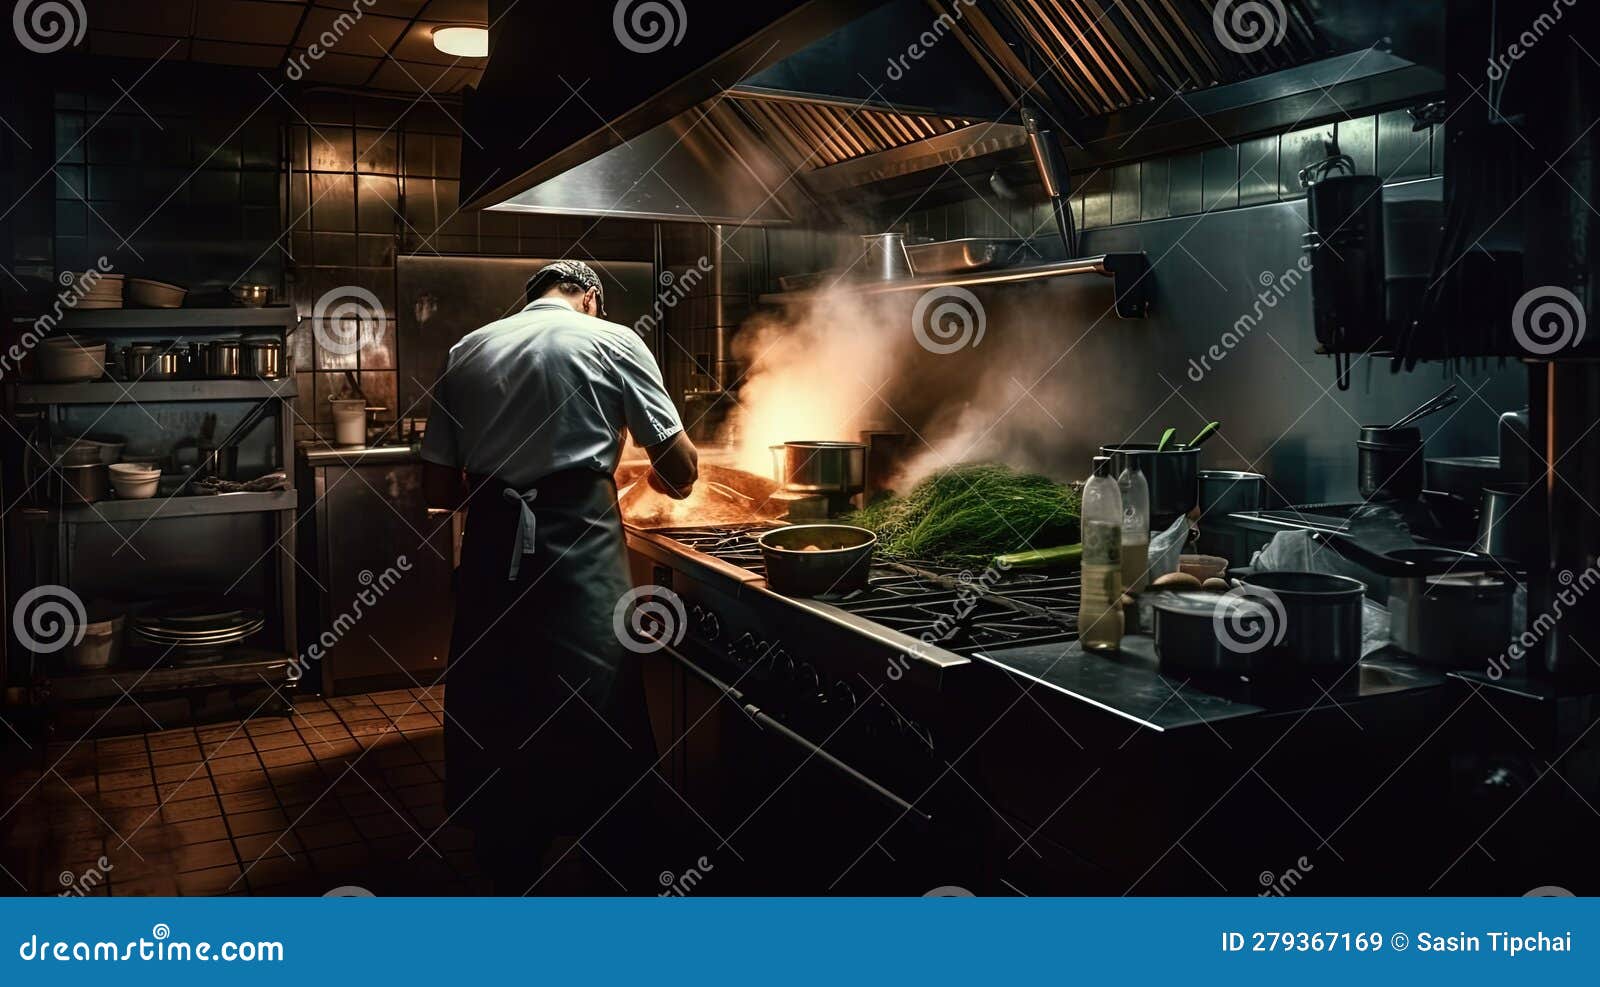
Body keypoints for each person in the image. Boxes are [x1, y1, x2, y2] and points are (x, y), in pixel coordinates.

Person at [420, 260, 698, 894]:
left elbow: (436, 489)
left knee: (499, 697)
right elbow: (682, 469)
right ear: (591, 298)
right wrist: (636, 479)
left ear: (533, 297)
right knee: (596, 698)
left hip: (493, 553)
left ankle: (507, 867)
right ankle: (614, 867)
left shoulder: (470, 348)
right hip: (581, 546)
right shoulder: (615, 339)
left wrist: (508, 484)